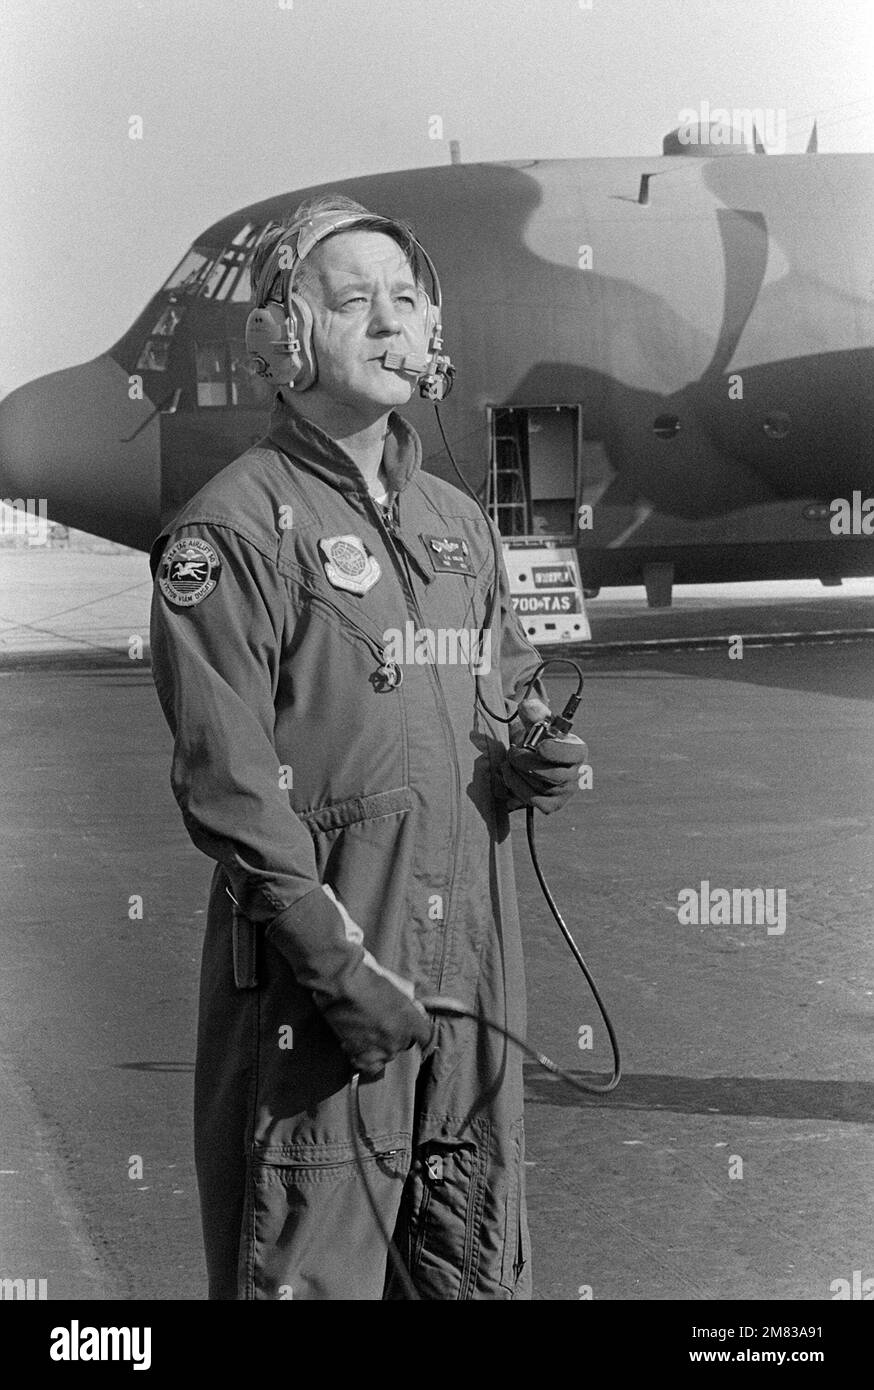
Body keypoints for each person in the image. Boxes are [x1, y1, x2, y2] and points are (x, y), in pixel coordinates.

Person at [148, 193, 586, 1300]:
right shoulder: (231, 531)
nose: (393, 325)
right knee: (309, 1266)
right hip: (325, 996)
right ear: (286, 342)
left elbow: (510, 686)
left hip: (473, 983)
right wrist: (347, 977)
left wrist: (539, 750)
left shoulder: (455, 522)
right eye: (355, 303)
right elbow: (231, 789)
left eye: (407, 301)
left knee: (471, 1261)